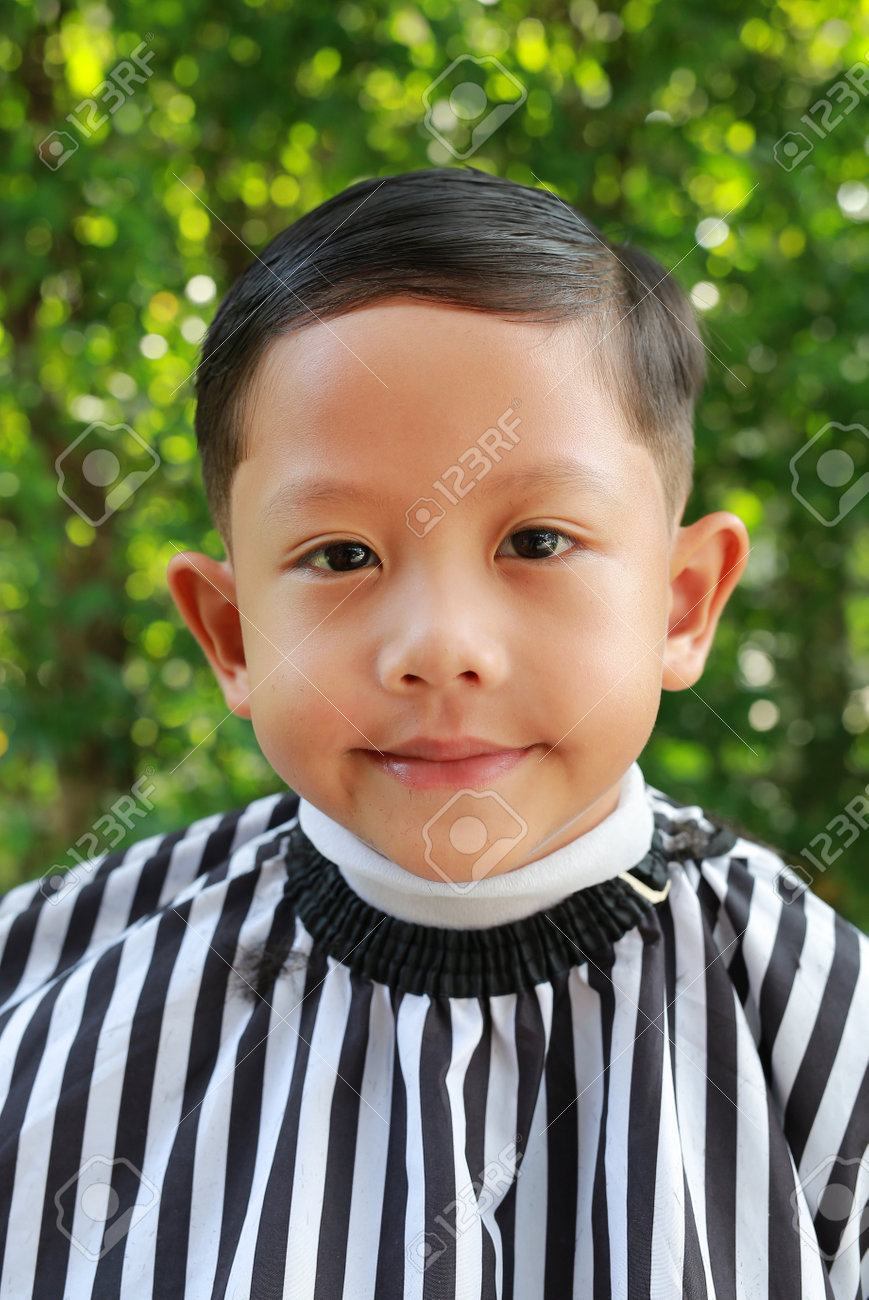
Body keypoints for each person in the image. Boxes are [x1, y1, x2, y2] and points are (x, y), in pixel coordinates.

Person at [1, 167, 866, 1300]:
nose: (441, 644)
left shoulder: (827, 1043)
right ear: (230, 634)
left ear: (679, 604)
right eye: (341, 556)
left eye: (537, 541)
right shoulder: (37, 1000)